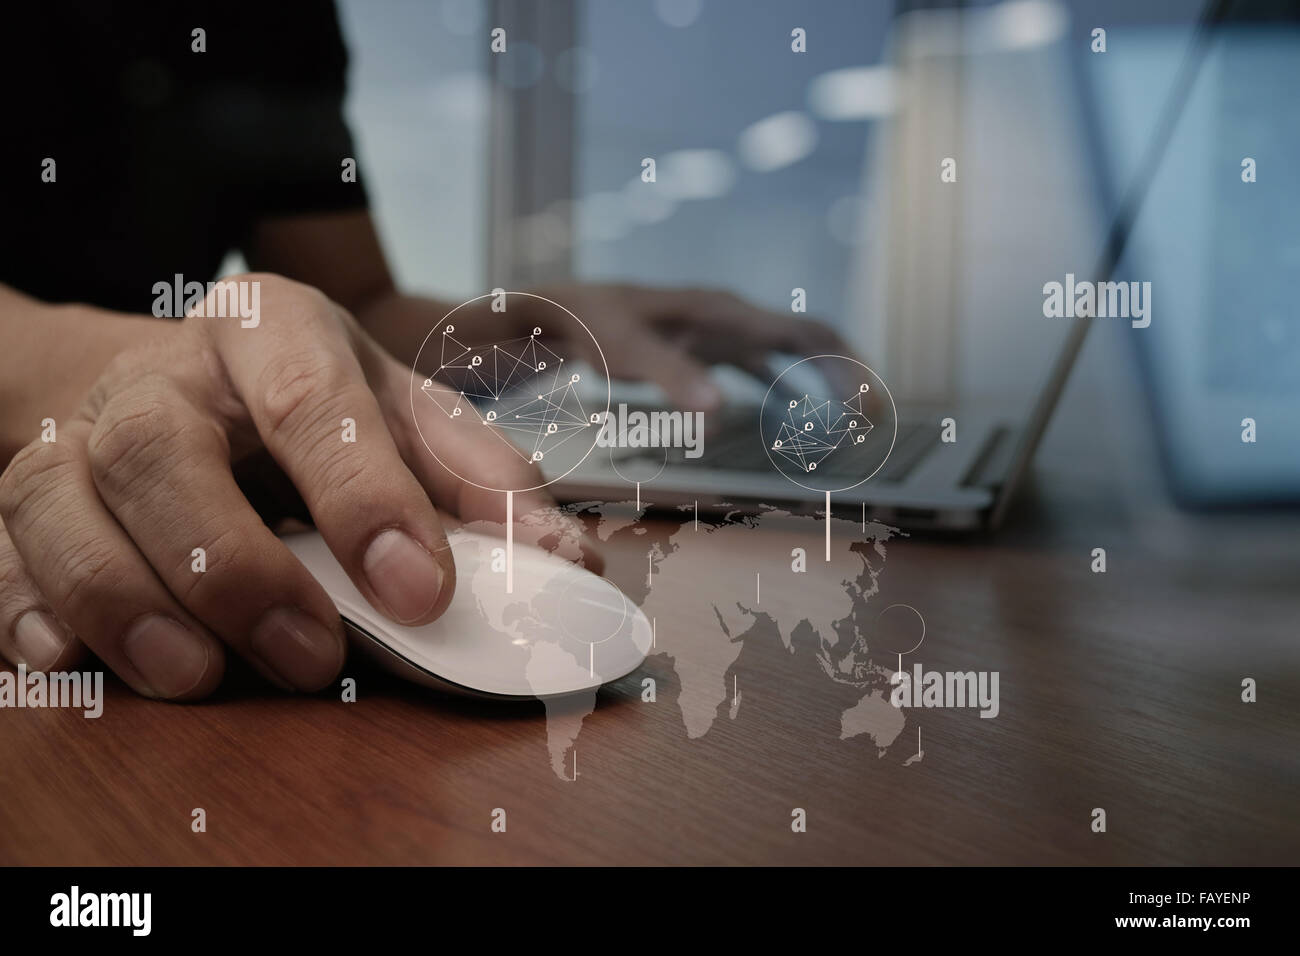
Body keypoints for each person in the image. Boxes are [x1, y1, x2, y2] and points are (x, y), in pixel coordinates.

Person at [0, 2, 850, 699]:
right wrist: (150, 372)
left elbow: (356, 302)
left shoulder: (272, 21)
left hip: (214, 482)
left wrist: (544, 322)